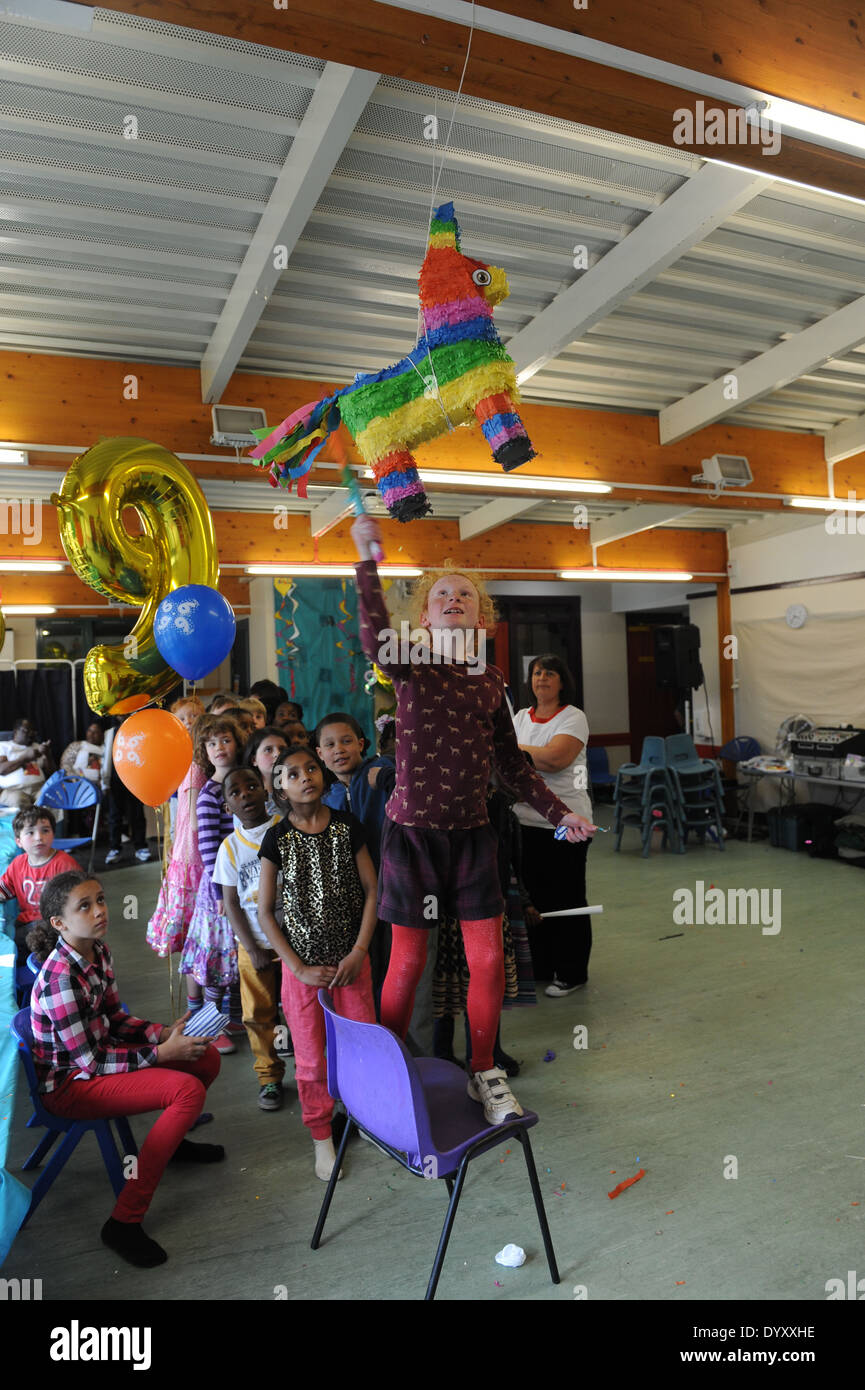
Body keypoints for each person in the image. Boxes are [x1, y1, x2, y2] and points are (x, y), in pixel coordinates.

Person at [351, 514, 595, 1125]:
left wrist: (561, 812)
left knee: (487, 963)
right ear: (426, 616)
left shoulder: (490, 683)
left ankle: (482, 1070)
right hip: (412, 837)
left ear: (480, 617)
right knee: (406, 963)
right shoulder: (408, 663)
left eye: (465, 594)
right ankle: (391, 1070)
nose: (453, 598)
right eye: (442, 594)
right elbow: (373, 631)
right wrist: (365, 562)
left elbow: (513, 766)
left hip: (473, 838)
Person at [28, 870, 223, 1268]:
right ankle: (123, 1221)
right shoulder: (60, 978)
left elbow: (115, 1018)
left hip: (98, 1060)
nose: (100, 910)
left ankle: (171, 1144)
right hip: (71, 1086)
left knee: (207, 1056)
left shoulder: (97, 951)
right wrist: (162, 1054)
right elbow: (91, 1062)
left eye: (100, 899)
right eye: (85, 906)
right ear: (59, 924)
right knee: (187, 1091)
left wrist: (163, 1033)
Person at [257, 745, 377, 1181]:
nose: (305, 776)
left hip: (351, 966)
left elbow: (371, 890)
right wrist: (297, 967)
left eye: (311, 767)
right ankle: (322, 1140)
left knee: (362, 1048)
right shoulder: (277, 838)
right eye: (292, 773)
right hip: (303, 973)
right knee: (310, 1059)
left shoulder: (348, 827)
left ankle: (367, 1120)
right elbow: (265, 912)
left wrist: (359, 952)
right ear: (280, 787)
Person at [512, 654, 594, 997]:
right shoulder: (519, 717)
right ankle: (544, 966)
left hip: (564, 822)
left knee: (566, 899)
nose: (541, 678)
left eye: (549, 673)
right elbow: (523, 759)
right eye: (536, 673)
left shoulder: (573, 718)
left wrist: (510, 749)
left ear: (563, 682)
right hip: (523, 821)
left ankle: (572, 972)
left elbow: (555, 759)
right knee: (533, 902)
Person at [212, 766, 284, 1111]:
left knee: (304, 1009)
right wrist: (252, 947)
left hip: (295, 941)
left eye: (252, 786)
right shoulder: (229, 848)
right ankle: (269, 1078)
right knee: (257, 1013)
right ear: (228, 806)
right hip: (254, 944)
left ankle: (319, 1071)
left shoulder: (285, 830)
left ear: (266, 791)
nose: (245, 794)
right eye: (236, 792)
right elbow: (230, 903)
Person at [316, 711, 395, 1016]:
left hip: (392, 887)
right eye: (330, 745)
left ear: (362, 743)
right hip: (353, 901)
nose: (339, 749)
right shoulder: (326, 796)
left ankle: (402, 1041)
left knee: (394, 966)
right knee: (367, 968)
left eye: (347, 741)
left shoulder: (381, 771)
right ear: (320, 754)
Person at [179, 714, 246, 1054]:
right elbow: (208, 850)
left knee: (235, 954)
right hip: (221, 889)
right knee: (217, 960)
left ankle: (226, 1017)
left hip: (244, 883)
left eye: (225, 740)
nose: (220, 747)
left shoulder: (243, 783)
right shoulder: (208, 795)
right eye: (211, 743)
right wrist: (221, 891)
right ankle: (206, 1025)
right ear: (204, 751)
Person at [146, 705, 206, 962]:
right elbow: (193, 822)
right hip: (194, 852)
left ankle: (196, 999)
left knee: (192, 928)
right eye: (183, 717)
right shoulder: (194, 768)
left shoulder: (192, 765)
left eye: (194, 715)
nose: (189, 721)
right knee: (196, 928)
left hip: (185, 850)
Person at [0, 806, 80, 965]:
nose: (39, 837)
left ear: (53, 834)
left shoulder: (64, 864)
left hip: (59, 924)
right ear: (18, 841)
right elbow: (4, 889)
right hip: (28, 925)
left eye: (45, 830)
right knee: (13, 942)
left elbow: (80, 899)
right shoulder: (17, 864)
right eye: (30, 832)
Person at [103, 717, 151, 865]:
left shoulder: (139, 728)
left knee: (137, 814)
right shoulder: (111, 732)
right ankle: (115, 848)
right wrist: (105, 782)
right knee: (114, 815)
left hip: (135, 778)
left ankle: (140, 846)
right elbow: (106, 758)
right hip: (116, 780)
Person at [0, 718, 53, 809]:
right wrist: (25, 758)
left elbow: (51, 772)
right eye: (27, 731)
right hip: (13, 789)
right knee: (20, 801)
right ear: (16, 732)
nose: (31, 734)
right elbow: (1, 769)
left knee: (52, 798)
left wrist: (47, 755)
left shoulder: (37, 746)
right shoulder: (3, 746)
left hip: (39, 788)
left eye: (33, 731)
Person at [243, 726, 289, 814]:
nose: (277, 754)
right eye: (268, 750)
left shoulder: (296, 789)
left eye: (282, 749)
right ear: (254, 760)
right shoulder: (247, 796)